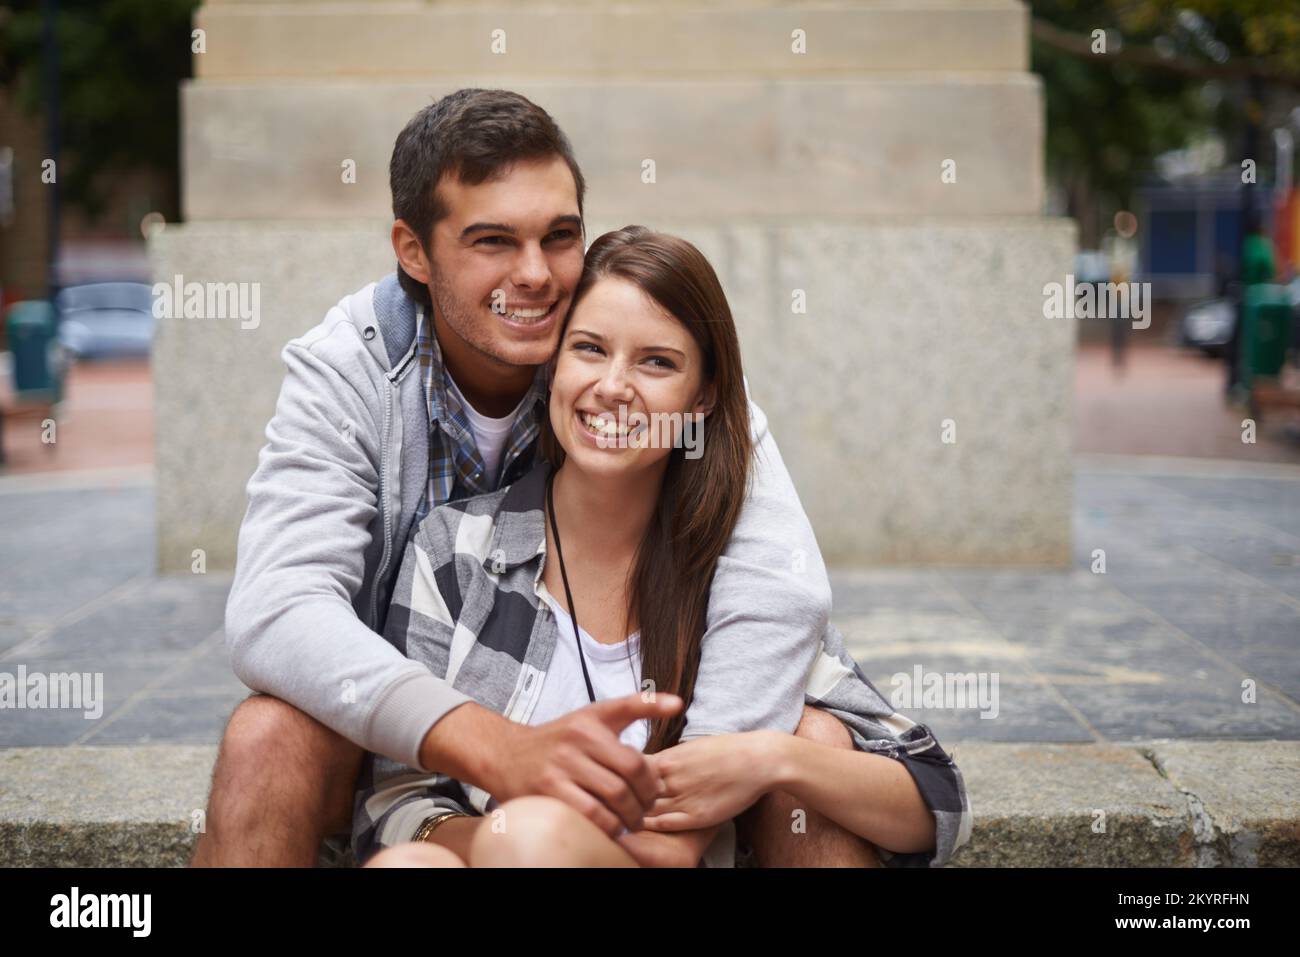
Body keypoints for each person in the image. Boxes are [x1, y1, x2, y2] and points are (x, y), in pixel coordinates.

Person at [194, 88, 842, 866]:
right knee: (265, 734)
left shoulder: (612, 360)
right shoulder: (348, 370)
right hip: (381, 744)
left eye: (559, 236)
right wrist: (497, 747)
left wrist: (688, 799)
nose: (535, 275)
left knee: (813, 743)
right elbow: (276, 608)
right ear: (413, 250)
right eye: (493, 240)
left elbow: (782, 583)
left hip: (618, 788)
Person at [355, 227, 972, 868]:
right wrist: (512, 841)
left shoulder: (738, 573)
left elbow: (939, 802)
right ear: (553, 365)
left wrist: (767, 756)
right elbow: (397, 799)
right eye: (589, 349)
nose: (613, 387)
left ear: (701, 397)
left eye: (657, 363)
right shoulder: (455, 552)